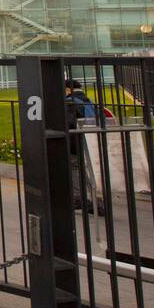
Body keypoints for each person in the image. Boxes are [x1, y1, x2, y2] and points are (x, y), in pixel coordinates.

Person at [64, 78, 101, 215]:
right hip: (92, 140)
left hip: (75, 142)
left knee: (75, 167)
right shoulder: (88, 101)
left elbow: (68, 123)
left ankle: (78, 197)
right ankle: (98, 198)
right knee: (89, 169)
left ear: (68, 89)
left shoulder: (69, 102)